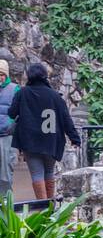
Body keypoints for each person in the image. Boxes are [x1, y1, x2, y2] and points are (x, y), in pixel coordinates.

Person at [7, 62, 82, 202]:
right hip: (52, 141)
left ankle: (42, 207)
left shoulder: (22, 93)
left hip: (31, 142)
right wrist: (75, 139)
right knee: (49, 172)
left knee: (37, 173)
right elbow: (66, 119)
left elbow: (12, 113)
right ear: (45, 76)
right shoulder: (55, 96)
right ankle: (50, 207)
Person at [0, 58, 18, 200]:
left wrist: (12, 126)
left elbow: (19, 112)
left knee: (6, 171)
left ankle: (6, 204)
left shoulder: (14, 89)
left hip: (7, 135)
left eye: (1, 74)